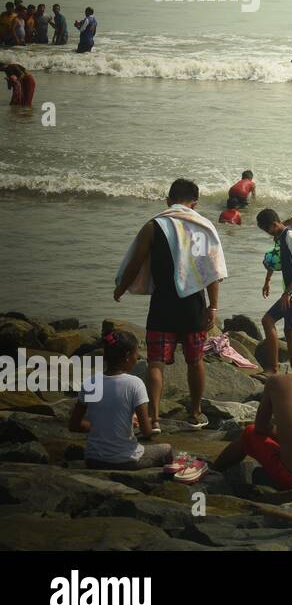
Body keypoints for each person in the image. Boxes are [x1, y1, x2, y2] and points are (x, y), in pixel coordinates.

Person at [113, 178, 227, 430]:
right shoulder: (204, 227)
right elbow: (212, 271)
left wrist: (121, 288)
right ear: (194, 203)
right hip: (194, 305)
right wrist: (213, 306)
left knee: (156, 362)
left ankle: (153, 418)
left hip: (163, 303)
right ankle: (195, 412)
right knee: (195, 360)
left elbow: (135, 263)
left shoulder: (154, 226)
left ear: (168, 199)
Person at [212, 334, 292, 490]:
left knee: (249, 433)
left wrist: (284, 435)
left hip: (289, 476)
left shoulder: (276, 382)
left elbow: (260, 427)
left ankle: (214, 471)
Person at [68, 330, 173, 471]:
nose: (138, 358)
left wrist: (102, 426)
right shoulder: (135, 384)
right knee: (167, 449)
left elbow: (74, 425)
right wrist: (147, 424)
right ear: (128, 356)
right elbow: (146, 431)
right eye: (136, 354)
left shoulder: (90, 383)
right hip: (125, 460)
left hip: (93, 459)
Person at [256, 208, 292, 375]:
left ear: (274, 224)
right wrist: (267, 281)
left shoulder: (290, 236)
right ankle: (275, 368)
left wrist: (287, 293)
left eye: (267, 230)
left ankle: (290, 371)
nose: (268, 234)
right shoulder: (281, 237)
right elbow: (275, 260)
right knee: (280, 327)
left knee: (285, 330)